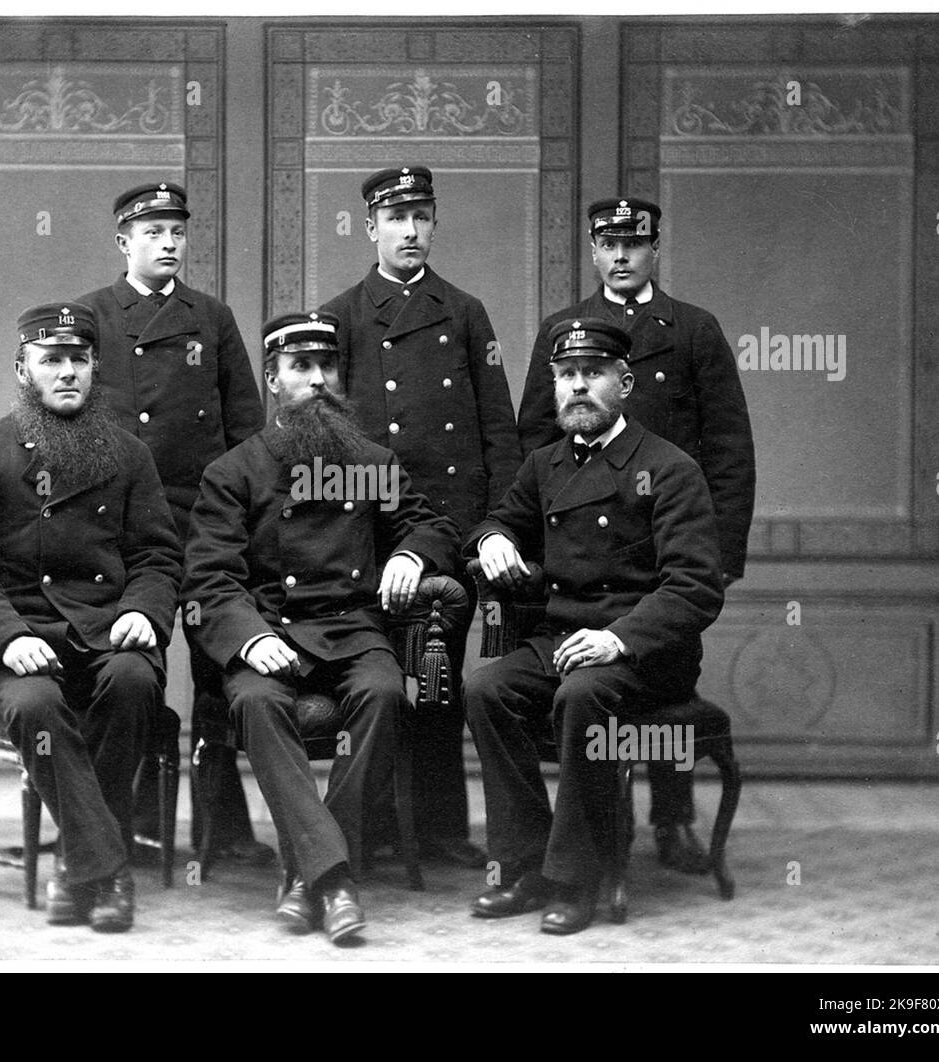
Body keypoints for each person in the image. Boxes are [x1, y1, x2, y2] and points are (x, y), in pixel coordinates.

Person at [182, 311, 460, 944]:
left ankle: (310, 876)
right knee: (254, 698)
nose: (317, 380)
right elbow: (210, 579)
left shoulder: (370, 460)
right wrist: (251, 638)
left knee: (387, 692)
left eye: (327, 366)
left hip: (353, 628)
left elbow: (431, 527)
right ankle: (335, 881)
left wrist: (408, 554)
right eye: (300, 368)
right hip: (271, 630)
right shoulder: (236, 471)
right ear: (274, 380)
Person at [516, 196, 755, 874]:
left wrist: (721, 554)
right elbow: (535, 436)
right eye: (609, 244)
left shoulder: (693, 329)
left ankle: (672, 821)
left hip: (672, 545)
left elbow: (730, 446)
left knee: (663, 674)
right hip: (585, 548)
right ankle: (600, 827)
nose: (622, 256)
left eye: (636, 244)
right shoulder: (562, 330)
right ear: (593, 251)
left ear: (655, 249)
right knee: (586, 685)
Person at [464, 317, 724, 935]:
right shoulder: (546, 464)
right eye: (566, 376)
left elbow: (695, 587)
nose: (578, 387)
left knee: (583, 695)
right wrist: (496, 537)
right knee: (485, 689)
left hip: (643, 651)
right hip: (563, 638)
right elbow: (495, 520)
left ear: (625, 382)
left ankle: (578, 878)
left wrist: (618, 638)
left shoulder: (668, 467)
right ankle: (524, 864)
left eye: (592, 374)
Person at [0, 302, 183, 932]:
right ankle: (108, 872)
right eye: (52, 361)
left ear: (96, 366)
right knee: (37, 705)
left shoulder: (128, 456)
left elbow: (158, 555)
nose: (67, 372)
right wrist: (9, 637)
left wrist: (143, 613)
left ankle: (77, 868)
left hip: (104, 632)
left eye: (79, 359)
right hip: (16, 640)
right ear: (23, 370)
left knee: (133, 681)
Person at [319, 165, 520, 867]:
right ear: (370, 227)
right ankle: (372, 827)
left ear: (434, 225)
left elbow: (499, 430)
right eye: (397, 219)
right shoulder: (341, 317)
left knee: (440, 680)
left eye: (422, 218)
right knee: (375, 677)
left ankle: (438, 827)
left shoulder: (466, 313)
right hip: (372, 533)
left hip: (456, 529)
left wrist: (495, 524)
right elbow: (324, 435)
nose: (411, 231)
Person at [77, 182, 272, 865]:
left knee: (220, 672)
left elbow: (248, 428)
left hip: (207, 522)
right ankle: (128, 828)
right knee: (133, 668)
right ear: (123, 242)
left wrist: (246, 519)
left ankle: (223, 834)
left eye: (177, 232)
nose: (167, 243)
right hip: (123, 528)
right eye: (153, 232)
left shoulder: (211, 318)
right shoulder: (93, 317)